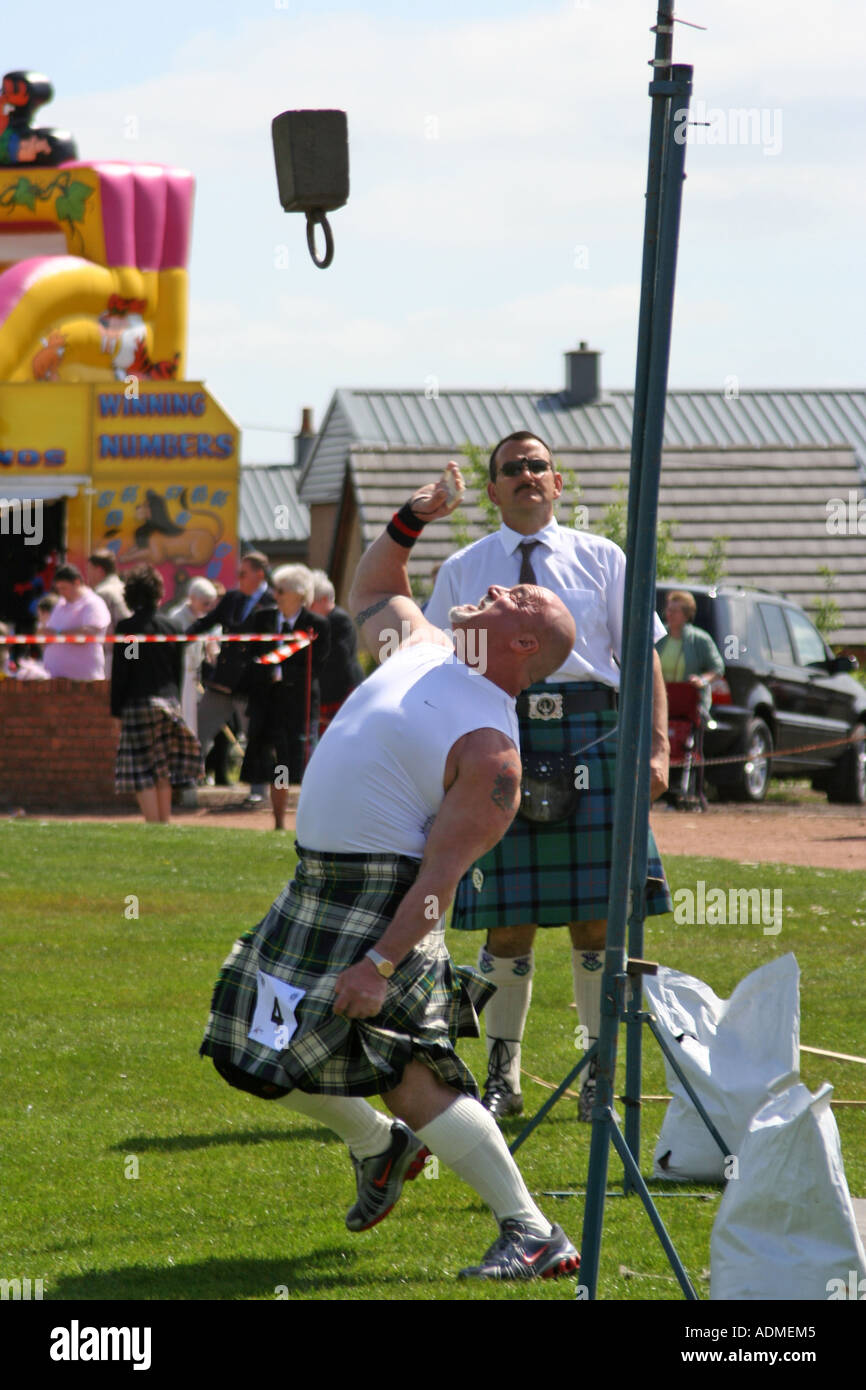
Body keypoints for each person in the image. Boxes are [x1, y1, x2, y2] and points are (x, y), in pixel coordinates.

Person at [201, 464, 582, 1281]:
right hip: (317, 885)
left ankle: (533, 1230)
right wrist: (413, 516)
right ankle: (378, 1148)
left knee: (409, 1073)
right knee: (246, 1044)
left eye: (512, 601)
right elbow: (372, 582)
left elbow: (441, 879)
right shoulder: (428, 645)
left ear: (523, 645)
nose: (491, 591)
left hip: (385, 903)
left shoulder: (490, 753)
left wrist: (378, 966)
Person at [424, 432, 671, 1123]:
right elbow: (440, 675)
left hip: (595, 736)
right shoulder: (464, 569)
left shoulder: (603, 558)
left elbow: (642, 657)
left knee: (599, 920)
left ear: (558, 484)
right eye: (513, 469)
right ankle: (503, 1076)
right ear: (494, 491)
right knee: (508, 922)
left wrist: (655, 749)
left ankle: (598, 1074)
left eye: (538, 466)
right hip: (499, 735)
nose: (528, 475)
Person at [239, 565, 330, 830]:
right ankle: (278, 821)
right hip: (268, 705)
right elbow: (249, 656)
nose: (274, 595)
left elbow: (316, 667)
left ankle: (311, 822)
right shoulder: (262, 619)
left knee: (304, 765)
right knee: (277, 765)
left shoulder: (318, 625)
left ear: (298, 594)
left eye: (280, 590)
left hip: (299, 707)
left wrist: (280, 671)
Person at [111, 565, 201, 823]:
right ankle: (165, 821)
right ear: (158, 593)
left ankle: (152, 822)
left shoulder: (127, 627)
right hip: (169, 702)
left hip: (137, 703)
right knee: (162, 768)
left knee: (141, 768)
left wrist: (116, 711)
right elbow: (177, 670)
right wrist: (176, 703)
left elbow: (123, 672)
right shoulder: (172, 626)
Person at [190, 552, 276, 807]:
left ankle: (258, 791)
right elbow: (207, 622)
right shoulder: (232, 598)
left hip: (252, 686)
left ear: (259, 574)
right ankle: (184, 783)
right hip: (222, 681)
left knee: (256, 738)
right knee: (198, 730)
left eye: (243, 573)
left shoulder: (272, 603)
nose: (237, 578)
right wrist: (178, 635)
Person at [657, 590, 725, 809]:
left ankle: (689, 791)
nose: (669, 613)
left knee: (689, 746)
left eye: (675, 610)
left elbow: (717, 668)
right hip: (661, 704)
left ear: (686, 614)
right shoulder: (658, 637)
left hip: (689, 705)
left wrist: (702, 680)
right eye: (668, 608)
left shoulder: (700, 640)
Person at [309, 569, 364, 733]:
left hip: (340, 690)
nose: (307, 608)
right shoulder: (320, 622)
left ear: (324, 600)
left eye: (311, 603)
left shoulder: (338, 620)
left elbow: (338, 659)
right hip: (327, 692)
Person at [169, 577, 218, 738]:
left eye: (210, 604)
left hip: (197, 676)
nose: (208, 608)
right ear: (192, 599)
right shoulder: (176, 618)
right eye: (205, 603)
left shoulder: (207, 619)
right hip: (179, 676)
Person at [44, 565, 111, 681]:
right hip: (56, 679)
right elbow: (48, 631)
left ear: (77, 582)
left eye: (64, 588)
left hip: (84, 681)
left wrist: (58, 634)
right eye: (58, 589)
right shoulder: (60, 604)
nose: (61, 592)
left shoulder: (93, 603)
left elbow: (89, 634)